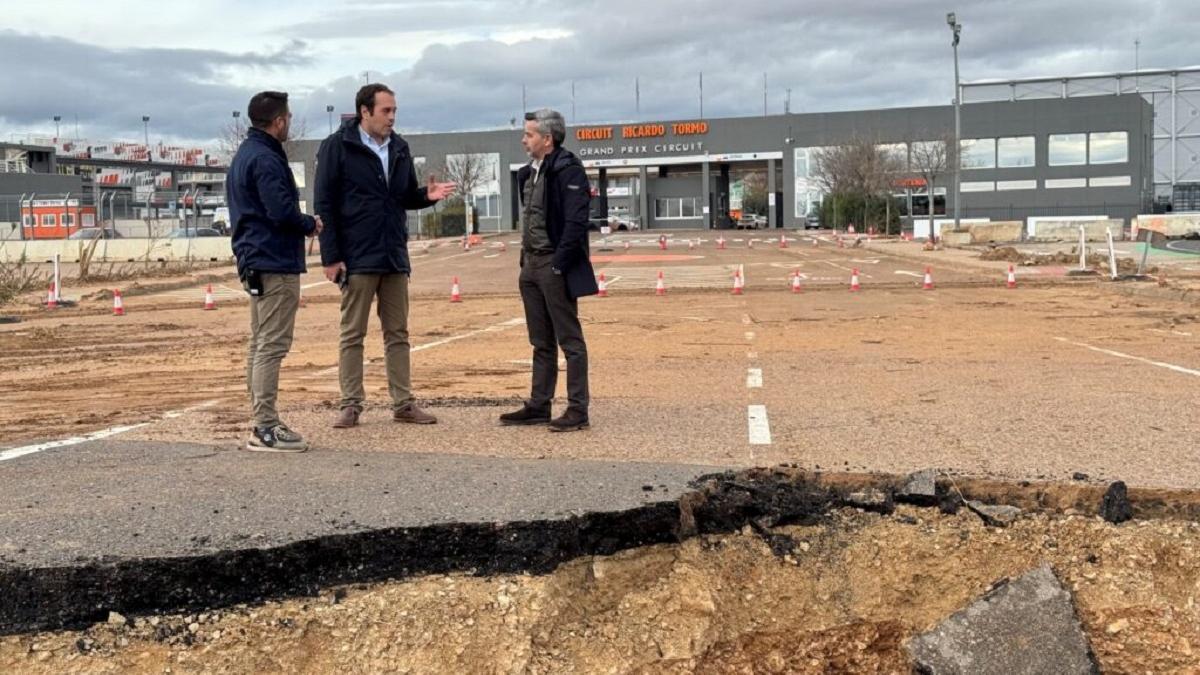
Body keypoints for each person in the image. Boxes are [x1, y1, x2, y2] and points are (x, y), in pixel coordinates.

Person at [315, 83, 455, 429]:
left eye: (394, 111)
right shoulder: (337, 147)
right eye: (385, 111)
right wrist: (331, 257)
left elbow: (404, 196)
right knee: (353, 334)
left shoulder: (400, 148)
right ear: (365, 112)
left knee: (398, 333)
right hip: (356, 256)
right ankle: (351, 405)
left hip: (392, 255)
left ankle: (403, 403)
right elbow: (324, 205)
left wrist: (427, 195)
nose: (392, 117)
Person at [227, 90, 321, 452]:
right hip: (273, 259)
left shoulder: (244, 155)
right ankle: (265, 425)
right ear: (279, 120)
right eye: (289, 118)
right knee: (272, 343)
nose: (290, 123)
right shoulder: (265, 159)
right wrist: (309, 223)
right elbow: (280, 211)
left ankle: (261, 419)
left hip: (255, 258)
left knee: (260, 340)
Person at [500, 108, 597, 432]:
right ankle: (539, 405)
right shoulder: (529, 173)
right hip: (530, 264)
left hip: (552, 263)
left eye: (529, 134)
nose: (523, 139)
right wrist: (525, 261)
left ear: (547, 138)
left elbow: (575, 221)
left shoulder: (568, 170)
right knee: (540, 341)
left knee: (570, 340)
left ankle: (577, 410)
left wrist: (559, 264)